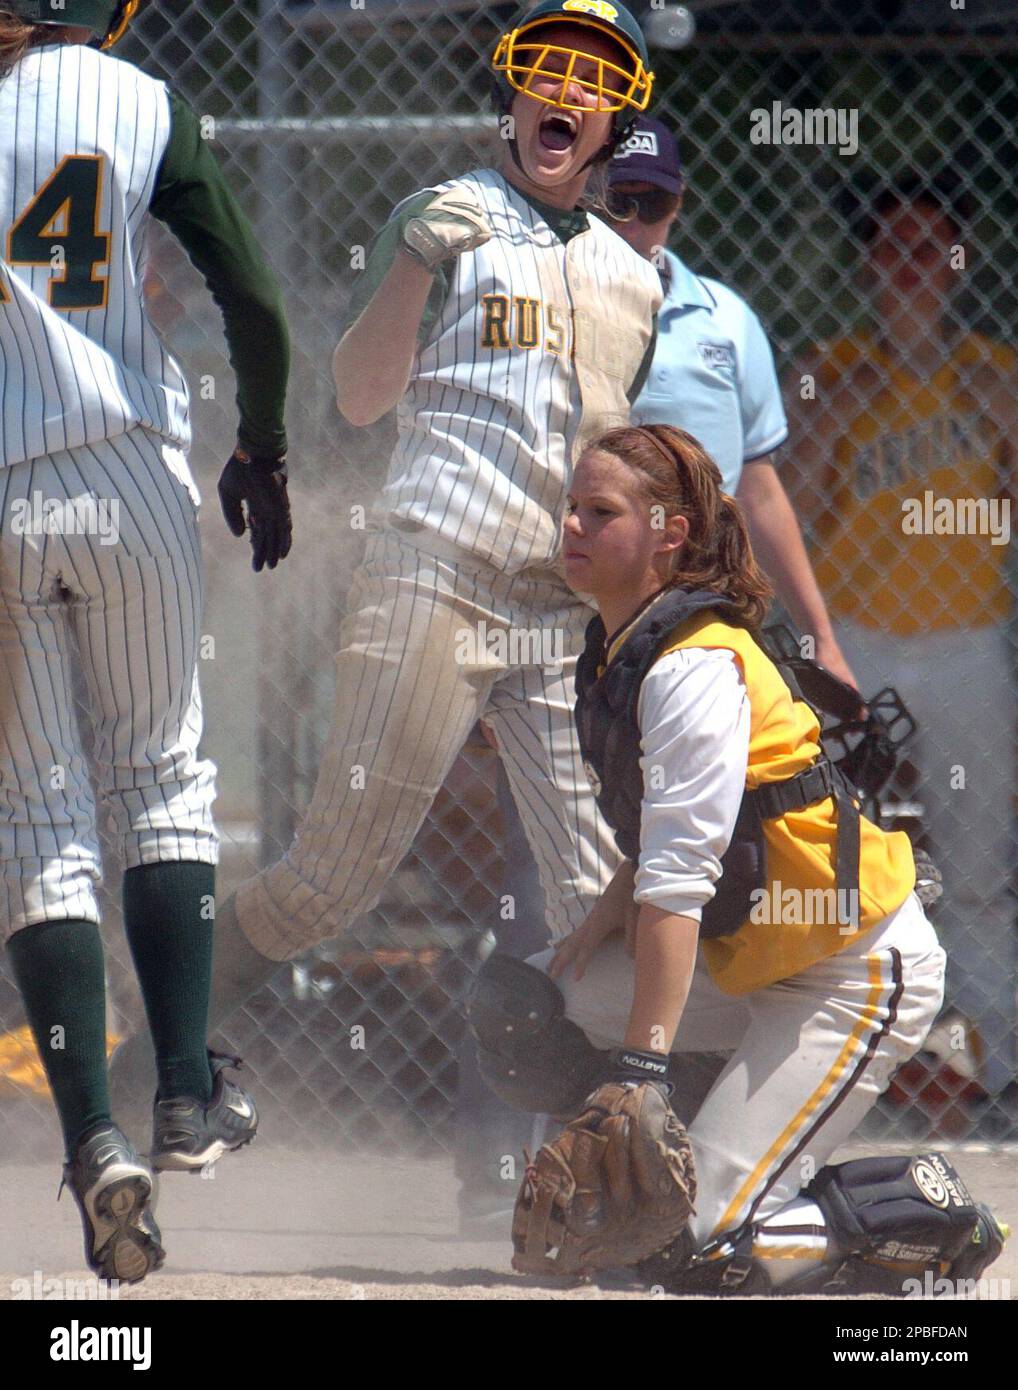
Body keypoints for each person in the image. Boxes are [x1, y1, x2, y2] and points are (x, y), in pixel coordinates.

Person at [107, 0, 665, 1113]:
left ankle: (625, 1150)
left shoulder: (632, 276)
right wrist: (413, 259)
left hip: (558, 614)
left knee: (603, 894)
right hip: (435, 575)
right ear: (512, 91)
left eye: (594, 79)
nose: (567, 90)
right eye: (547, 68)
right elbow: (359, 401)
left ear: (615, 120)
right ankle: (156, 1059)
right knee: (329, 884)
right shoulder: (445, 216)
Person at [469, 422, 1006, 1294]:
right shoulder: (622, 651)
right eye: (571, 507)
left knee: (695, 1256)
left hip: (853, 973)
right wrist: (613, 898)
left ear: (669, 534)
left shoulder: (691, 666)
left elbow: (679, 885)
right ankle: (700, 1146)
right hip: (756, 959)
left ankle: (925, 1219)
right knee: (527, 1006)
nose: (572, 526)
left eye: (600, 512)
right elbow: (684, 832)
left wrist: (641, 1072)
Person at [0, 1, 290, 1282]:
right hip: (125, 475)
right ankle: (184, 1092)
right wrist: (264, 443)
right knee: (162, 776)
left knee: (37, 825)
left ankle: (93, 1146)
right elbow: (253, 296)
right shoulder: (144, 103)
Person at [786, 173, 1018, 1111]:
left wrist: (997, 416)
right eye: (895, 248)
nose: (913, 266)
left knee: (978, 871)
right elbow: (790, 511)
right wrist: (844, 411)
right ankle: (839, 1074)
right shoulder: (828, 366)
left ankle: (1003, 1072)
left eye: (933, 248)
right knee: (833, 865)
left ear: (958, 265)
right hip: (859, 646)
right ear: (871, 266)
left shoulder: (995, 370)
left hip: (966, 641)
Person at [603, 114, 856, 688]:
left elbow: (759, 488)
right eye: (618, 202)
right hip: (578, 598)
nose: (636, 224)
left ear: (680, 201)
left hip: (699, 606)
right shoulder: (549, 308)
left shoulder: (726, 318)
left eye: (656, 203)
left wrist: (823, 642)